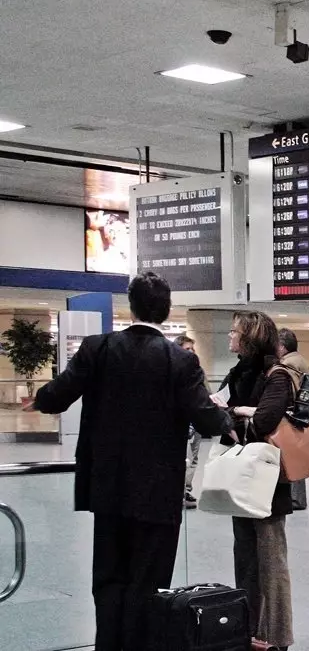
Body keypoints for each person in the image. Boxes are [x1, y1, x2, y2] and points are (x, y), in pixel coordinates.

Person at [29, 273, 231, 651]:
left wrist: (37, 400)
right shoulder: (180, 361)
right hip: (157, 493)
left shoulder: (97, 349)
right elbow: (206, 418)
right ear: (166, 309)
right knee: (149, 582)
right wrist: (230, 420)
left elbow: (55, 396)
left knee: (108, 579)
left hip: (106, 488)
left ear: (131, 306)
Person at [220, 310, 297, 649]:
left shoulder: (276, 375)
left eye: (235, 331)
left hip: (268, 482)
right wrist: (238, 413)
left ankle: (277, 636)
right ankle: (249, 631)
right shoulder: (237, 374)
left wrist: (238, 413)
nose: (230, 336)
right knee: (245, 559)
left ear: (250, 337)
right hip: (241, 477)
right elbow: (220, 413)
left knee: (270, 561)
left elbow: (265, 420)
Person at [175, 334, 204, 510]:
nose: (191, 353)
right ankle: (178, 491)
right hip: (182, 424)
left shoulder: (196, 370)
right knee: (184, 459)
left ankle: (186, 489)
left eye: (193, 349)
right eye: (187, 349)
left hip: (196, 424)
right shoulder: (174, 372)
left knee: (193, 459)